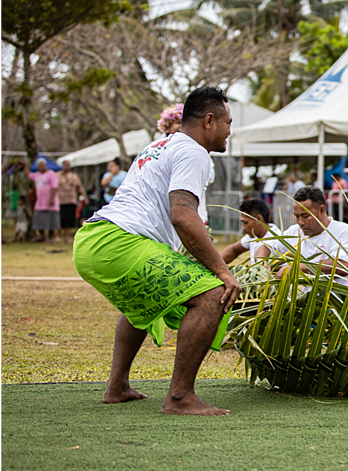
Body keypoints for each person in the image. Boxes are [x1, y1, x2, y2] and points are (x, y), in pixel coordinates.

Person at [72, 86, 241, 416]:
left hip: (93, 239)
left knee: (140, 302)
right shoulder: (194, 152)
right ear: (209, 121)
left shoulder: (159, 145)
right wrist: (222, 270)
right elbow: (182, 214)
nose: (229, 131)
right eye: (228, 122)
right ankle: (180, 397)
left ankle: (117, 386)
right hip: (120, 242)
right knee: (213, 293)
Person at [255, 186, 348, 285]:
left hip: (341, 300)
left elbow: (343, 266)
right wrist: (261, 262)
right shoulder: (294, 232)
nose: (300, 222)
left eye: (305, 216)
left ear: (321, 210)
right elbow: (266, 246)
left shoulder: (344, 232)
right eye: (296, 216)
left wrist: (300, 268)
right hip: (309, 301)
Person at [219, 198, 279, 265]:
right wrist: (214, 264)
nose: (243, 228)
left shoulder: (276, 238)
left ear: (258, 219)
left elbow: (264, 250)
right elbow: (235, 249)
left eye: (245, 223)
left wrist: (260, 262)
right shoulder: (254, 235)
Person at [29, 158, 60, 242]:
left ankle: (50, 237)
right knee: (38, 218)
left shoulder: (51, 173)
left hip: (51, 202)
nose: (41, 167)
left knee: (52, 220)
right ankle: (42, 236)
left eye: (42, 165)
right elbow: (28, 174)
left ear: (45, 165)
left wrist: (52, 198)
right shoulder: (37, 175)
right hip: (40, 202)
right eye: (39, 166)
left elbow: (54, 187)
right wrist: (24, 165)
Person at [56, 160, 85, 243]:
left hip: (71, 200)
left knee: (69, 219)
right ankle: (58, 235)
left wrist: (85, 197)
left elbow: (80, 187)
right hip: (60, 200)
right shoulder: (57, 175)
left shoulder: (74, 176)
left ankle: (66, 237)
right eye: (65, 165)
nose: (67, 166)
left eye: (68, 165)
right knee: (61, 218)